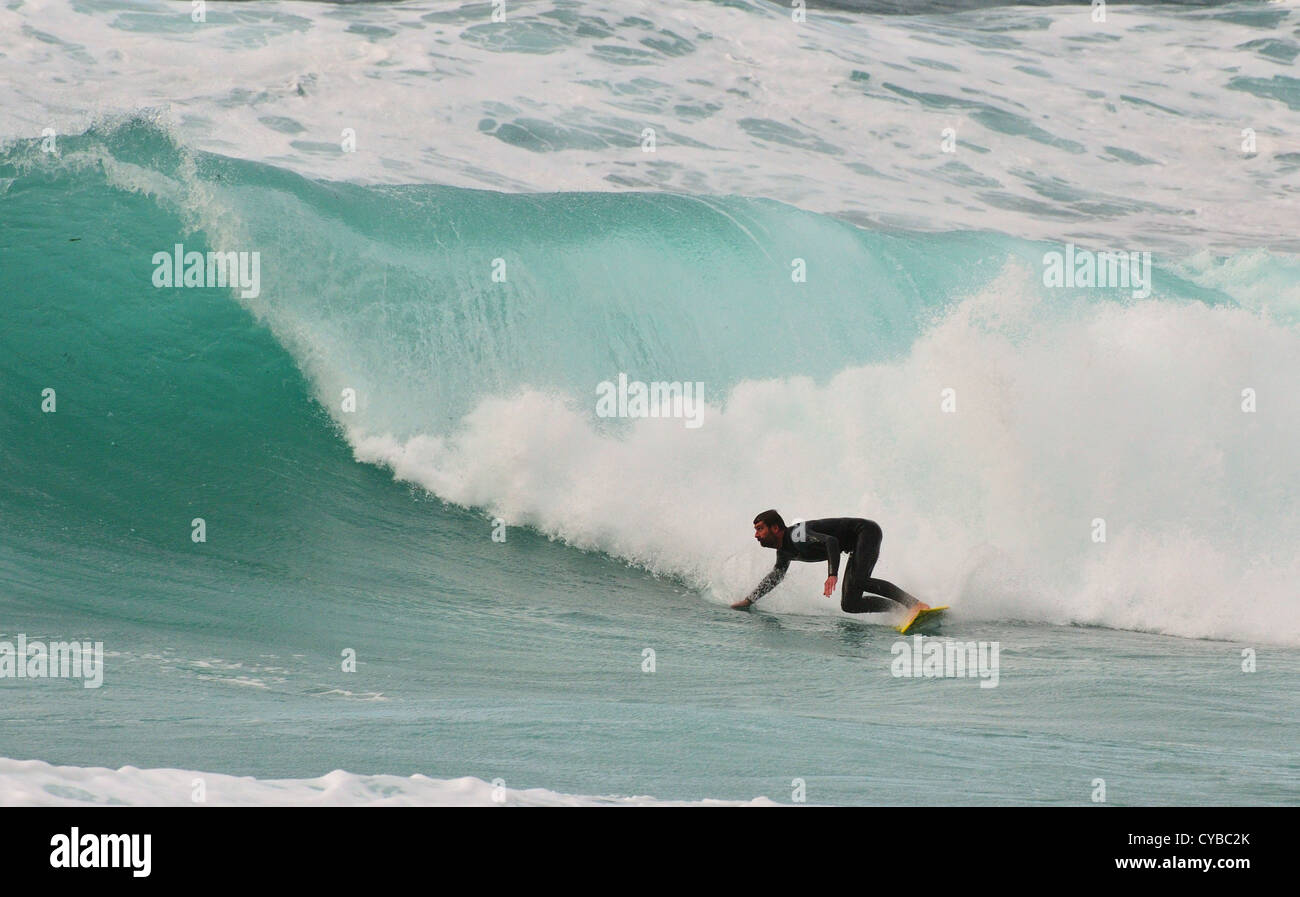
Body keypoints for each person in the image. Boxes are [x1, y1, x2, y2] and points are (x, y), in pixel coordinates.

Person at [731, 510, 930, 614]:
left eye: (760, 529)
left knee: (859, 580)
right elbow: (776, 576)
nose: (756, 535)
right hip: (853, 545)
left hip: (865, 532)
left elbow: (831, 541)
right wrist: (749, 601)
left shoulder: (797, 534)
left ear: (775, 528)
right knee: (850, 604)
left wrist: (832, 574)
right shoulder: (784, 551)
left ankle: (915, 605)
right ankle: (899, 610)